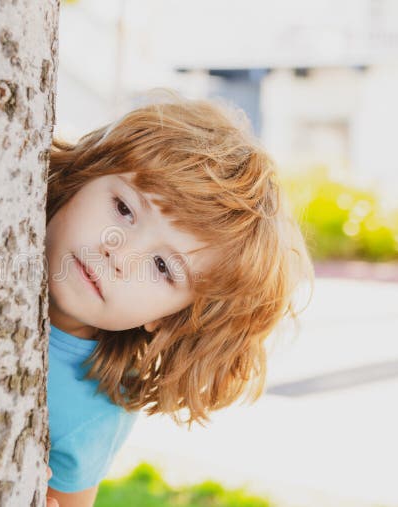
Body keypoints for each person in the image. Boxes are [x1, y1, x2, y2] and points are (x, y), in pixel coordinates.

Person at [42, 94, 314, 507]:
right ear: (85, 177)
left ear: (167, 319)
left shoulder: (94, 410)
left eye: (163, 267)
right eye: (123, 209)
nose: (119, 254)